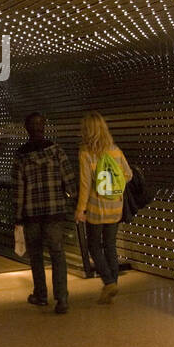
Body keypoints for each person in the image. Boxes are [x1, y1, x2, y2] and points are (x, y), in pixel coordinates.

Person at [13, 112, 77, 314]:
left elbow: (19, 189)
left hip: (31, 213)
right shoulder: (56, 150)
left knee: (36, 256)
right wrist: (74, 201)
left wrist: (17, 215)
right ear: (44, 127)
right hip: (54, 211)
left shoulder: (21, 156)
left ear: (27, 129)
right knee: (57, 254)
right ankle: (62, 298)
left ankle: (41, 295)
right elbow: (69, 179)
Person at [75, 111, 132, 304]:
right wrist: (113, 185)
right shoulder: (115, 150)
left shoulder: (86, 152)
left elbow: (85, 184)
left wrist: (80, 209)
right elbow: (128, 174)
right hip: (115, 205)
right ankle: (112, 285)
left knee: (93, 246)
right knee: (110, 246)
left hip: (96, 206)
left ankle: (109, 282)